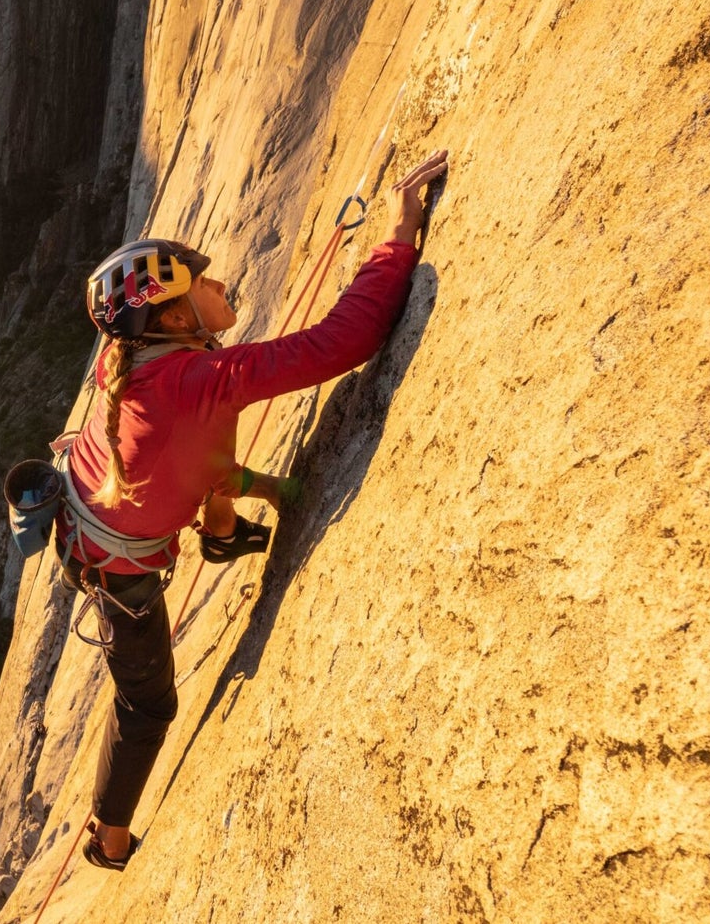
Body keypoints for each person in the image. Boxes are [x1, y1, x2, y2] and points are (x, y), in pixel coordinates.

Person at [61, 149, 450, 870]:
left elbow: (174, 449)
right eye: (203, 282)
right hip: (114, 570)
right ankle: (106, 840)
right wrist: (399, 237)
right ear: (176, 313)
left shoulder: (146, 364)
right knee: (149, 707)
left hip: (91, 501)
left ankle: (219, 529)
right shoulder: (204, 377)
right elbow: (344, 340)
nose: (220, 281)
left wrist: (245, 487)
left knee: (213, 433)